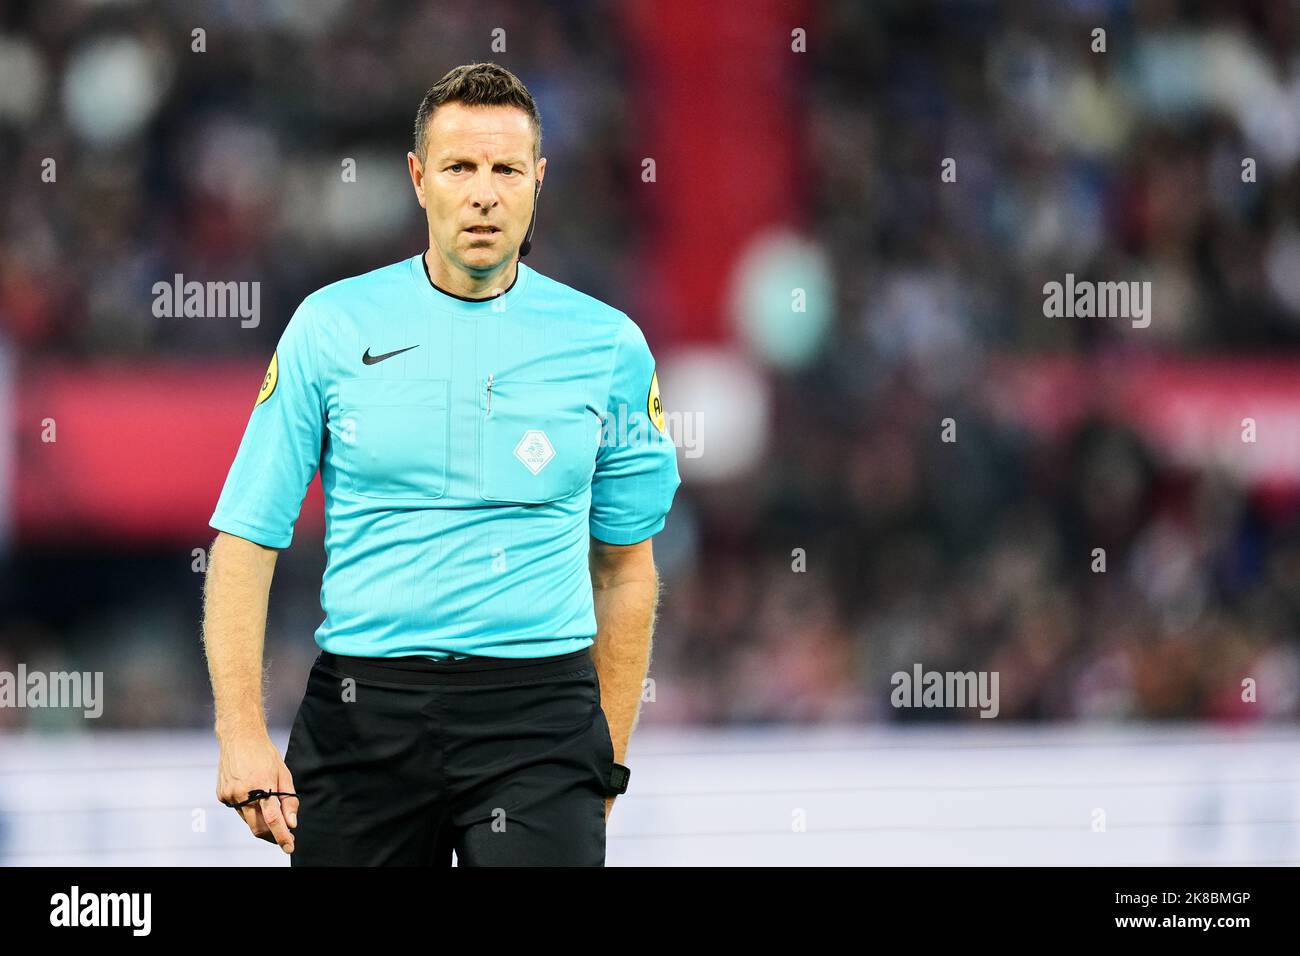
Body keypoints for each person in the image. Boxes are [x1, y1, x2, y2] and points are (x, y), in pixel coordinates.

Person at [201, 62, 680, 866]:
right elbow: (246, 539)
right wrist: (241, 733)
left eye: (504, 169)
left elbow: (626, 568)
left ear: (538, 179)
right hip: (364, 712)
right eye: (460, 167)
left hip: (540, 720)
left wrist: (607, 755)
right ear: (420, 179)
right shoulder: (330, 326)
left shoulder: (609, 347)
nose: (483, 192)